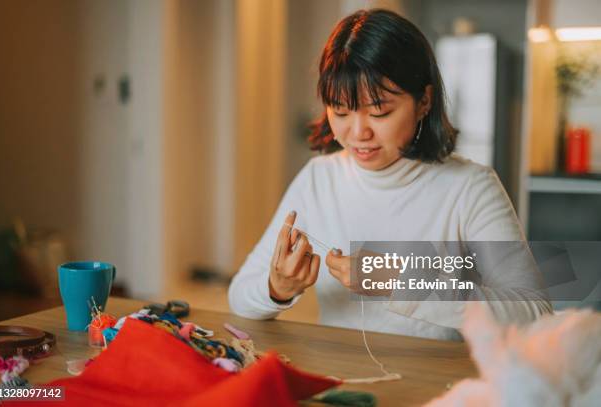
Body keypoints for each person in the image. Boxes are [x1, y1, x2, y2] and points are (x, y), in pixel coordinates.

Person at [228, 9, 551, 340]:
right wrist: (277, 288)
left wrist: (399, 282)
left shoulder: (471, 187)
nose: (357, 133)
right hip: (343, 384)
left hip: (435, 385)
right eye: (340, 111)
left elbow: (532, 311)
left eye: (379, 112)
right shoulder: (319, 178)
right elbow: (239, 295)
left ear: (423, 101)